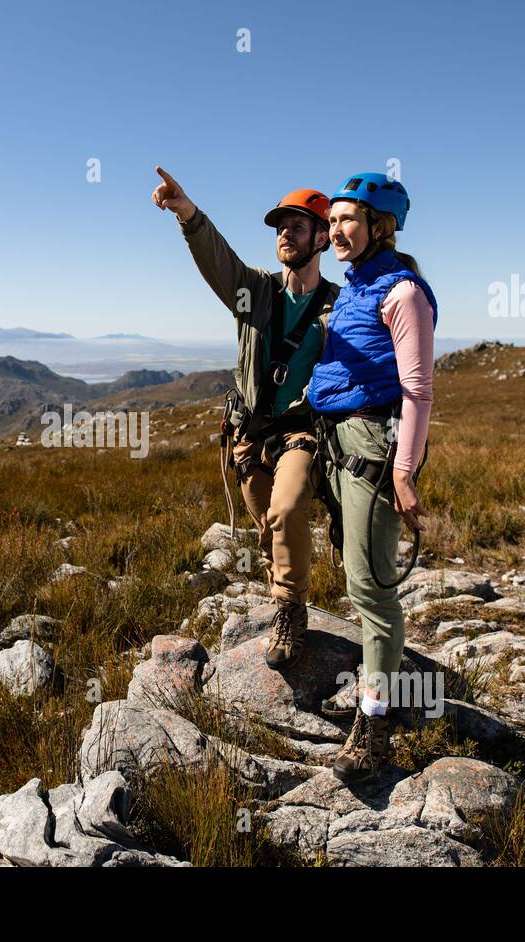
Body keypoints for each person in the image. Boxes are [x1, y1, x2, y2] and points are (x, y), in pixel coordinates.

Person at [152, 166, 338, 668]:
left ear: (322, 237)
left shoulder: (336, 308)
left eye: (298, 226)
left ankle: (290, 613)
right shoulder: (253, 292)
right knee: (265, 523)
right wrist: (187, 213)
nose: (285, 233)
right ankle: (285, 588)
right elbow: (219, 262)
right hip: (250, 435)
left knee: (287, 508)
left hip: (301, 432)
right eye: (281, 225)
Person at [305, 172, 437, 784]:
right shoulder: (355, 287)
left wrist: (405, 473)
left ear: (380, 225)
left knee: (372, 592)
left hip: (373, 450)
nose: (336, 230)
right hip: (339, 443)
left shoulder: (402, 293)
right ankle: (372, 693)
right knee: (356, 579)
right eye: (331, 221)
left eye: (347, 220)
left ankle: (375, 727)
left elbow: (417, 391)